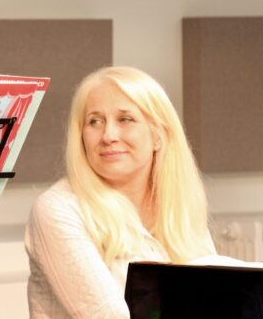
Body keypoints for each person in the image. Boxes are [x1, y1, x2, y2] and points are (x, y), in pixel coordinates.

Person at [24, 66, 216, 318]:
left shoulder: (178, 206)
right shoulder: (57, 208)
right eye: (95, 121)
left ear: (158, 135)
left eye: (125, 119)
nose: (108, 135)